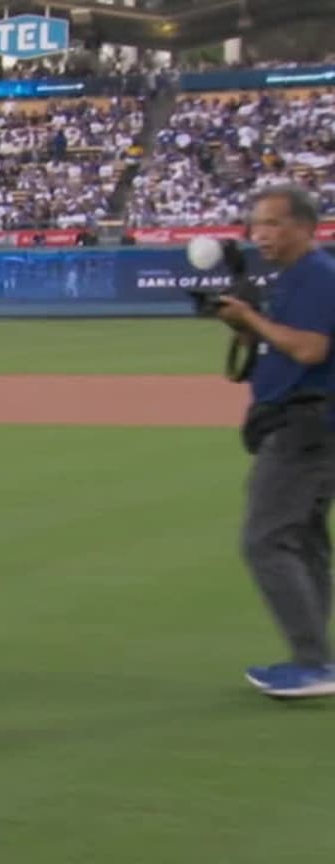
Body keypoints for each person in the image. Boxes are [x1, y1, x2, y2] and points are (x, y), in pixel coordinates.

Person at [213, 184, 335, 698]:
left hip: (306, 425)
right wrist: (247, 330)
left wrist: (252, 320)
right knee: (304, 538)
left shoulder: (316, 276)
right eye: (255, 224)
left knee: (265, 539)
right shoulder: (293, 278)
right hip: (306, 423)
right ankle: (317, 658)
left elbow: (309, 350)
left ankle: (313, 664)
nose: (260, 233)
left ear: (305, 227)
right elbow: (279, 348)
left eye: (272, 223)